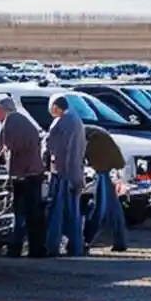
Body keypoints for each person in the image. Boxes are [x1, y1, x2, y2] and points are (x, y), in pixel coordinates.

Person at [0, 95, 47, 258]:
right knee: (34, 214)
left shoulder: (9, 122)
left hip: (21, 176)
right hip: (35, 173)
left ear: (0, 109)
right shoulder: (25, 120)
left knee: (18, 214)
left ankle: (15, 248)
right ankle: (37, 249)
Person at [42, 93, 87, 257]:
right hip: (76, 172)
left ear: (55, 108)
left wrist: (46, 164)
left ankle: (52, 247)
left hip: (62, 172)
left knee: (57, 212)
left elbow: (49, 146)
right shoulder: (78, 121)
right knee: (74, 212)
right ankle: (76, 247)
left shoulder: (60, 122)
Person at [83, 124, 128, 252]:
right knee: (113, 208)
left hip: (103, 168)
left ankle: (86, 239)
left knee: (100, 208)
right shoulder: (94, 132)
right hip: (110, 167)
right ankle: (120, 241)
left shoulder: (86, 135)